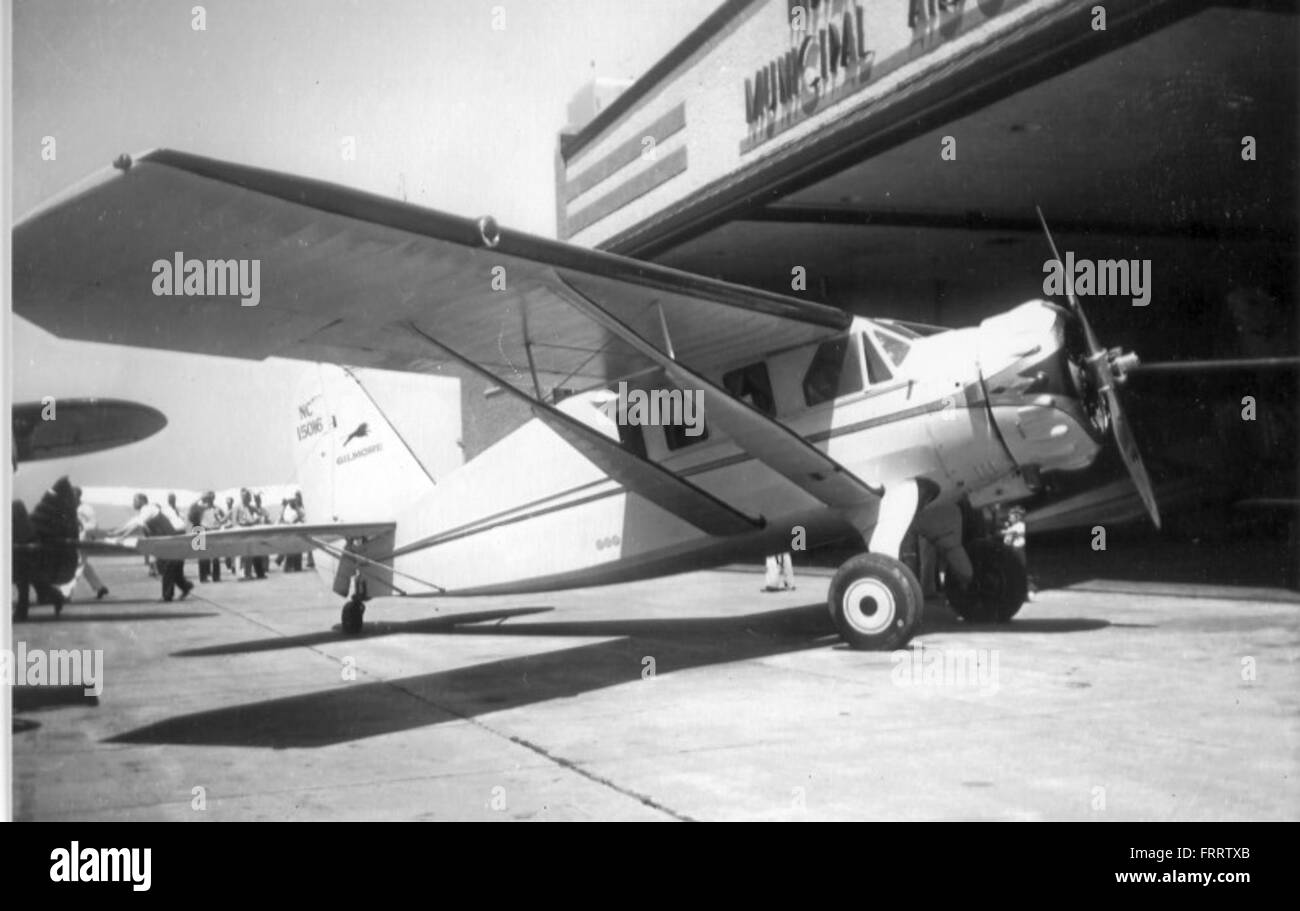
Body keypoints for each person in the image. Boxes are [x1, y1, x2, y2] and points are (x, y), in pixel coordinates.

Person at [112, 493, 193, 602]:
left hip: (169, 542)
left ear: (142, 501)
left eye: (135, 500)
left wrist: (122, 536)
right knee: (170, 568)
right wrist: (117, 532)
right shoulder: (145, 511)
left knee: (168, 567)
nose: (133, 503)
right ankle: (186, 586)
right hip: (167, 542)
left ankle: (167, 596)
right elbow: (133, 522)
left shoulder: (148, 509)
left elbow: (138, 524)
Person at [69, 486, 109, 600]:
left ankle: (66, 592)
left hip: (84, 539)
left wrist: (81, 527)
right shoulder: (70, 507)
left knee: (77, 564)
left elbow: (94, 524)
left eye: (73, 495)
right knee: (84, 565)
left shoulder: (86, 509)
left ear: (78, 496)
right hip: (74, 540)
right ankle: (100, 587)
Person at [188, 491, 225, 582]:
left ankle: (216, 577)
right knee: (203, 556)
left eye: (212, 497)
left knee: (215, 556)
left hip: (214, 531)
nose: (210, 499)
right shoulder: (200, 508)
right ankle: (203, 577)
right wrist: (200, 498)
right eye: (209, 497)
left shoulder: (217, 508)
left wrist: (220, 522)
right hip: (202, 531)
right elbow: (191, 513)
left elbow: (224, 518)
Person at [233, 488, 265, 579]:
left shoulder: (251, 507)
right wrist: (246, 524)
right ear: (241, 496)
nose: (247, 497)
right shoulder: (237, 507)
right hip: (241, 533)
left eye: (248, 496)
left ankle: (248, 573)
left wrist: (258, 501)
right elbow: (234, 522)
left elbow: (260, 513)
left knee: (249, 555)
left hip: (250, 533)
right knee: (241, 555)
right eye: (245, 496)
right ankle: (241, 574)